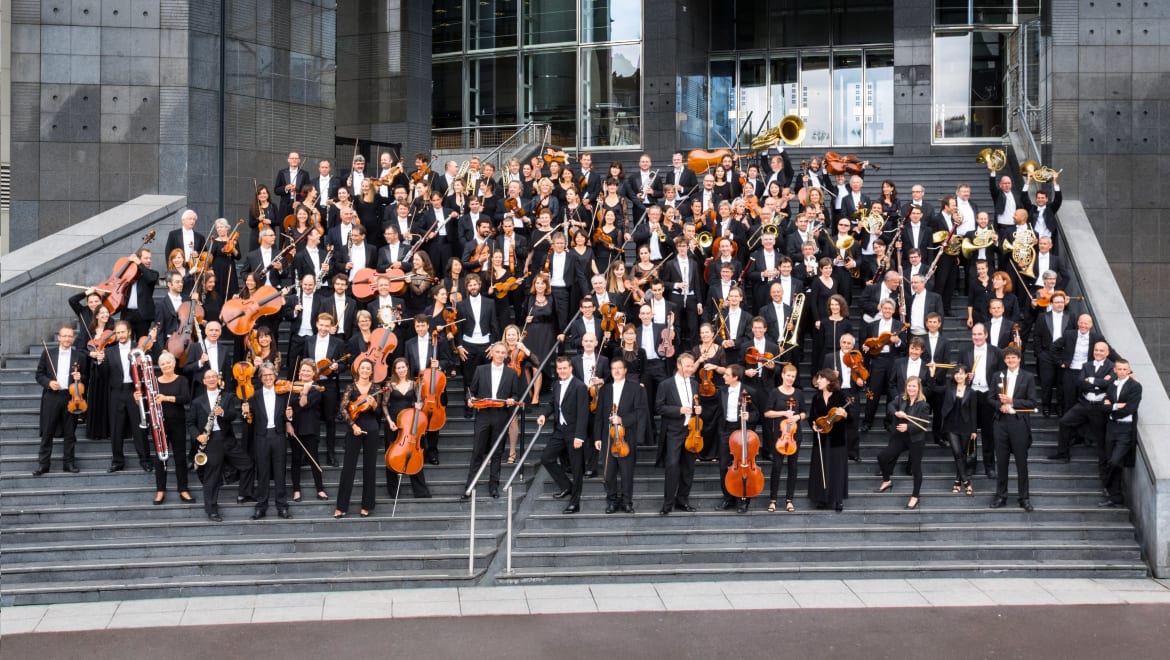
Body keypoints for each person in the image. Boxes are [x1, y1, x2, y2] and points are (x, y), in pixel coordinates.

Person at [188, 370, 255, 522]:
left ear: (218, 380)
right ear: (204, 381)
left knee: (247, 464)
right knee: (212, 476)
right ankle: (211, 510)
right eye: (208, 377)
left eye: (214, 377)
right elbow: (190, 423)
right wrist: (198, 436)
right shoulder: (197, 401)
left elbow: (233, 416)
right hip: (210, 441)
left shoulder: (227, 396)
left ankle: (244, 494)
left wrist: (223, 412)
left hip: (226, 439)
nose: (211, 379)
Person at [463, 342, 524, 499]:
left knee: (497, 452)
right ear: (492, 353)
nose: (499, 355)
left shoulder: (511, 373)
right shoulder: (480, 370)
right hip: (483, 414)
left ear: (506, 355)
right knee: (477, 450)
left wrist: (512, 399)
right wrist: (470, 400)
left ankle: (494, 487)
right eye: (497, 352)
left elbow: (516, 394)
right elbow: (471, 391)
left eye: (503, 352)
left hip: (501, 414)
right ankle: (470, 485)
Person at [538, 357, 591, 514]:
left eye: (564, 368)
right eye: (559, 368)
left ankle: (575, 503)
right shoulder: (556, 384)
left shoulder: (580, 387)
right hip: (560, 430)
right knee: (546, 458)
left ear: (571, 368)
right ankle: (566, 486)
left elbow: (583, 413)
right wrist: (544, 415)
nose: (562, 371)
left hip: (575, 433)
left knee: (576, 469)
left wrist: (579, 437)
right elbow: (552, 404)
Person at [593, 357, 646, 514]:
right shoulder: (605, 390)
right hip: (607, 435)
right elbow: (599, 416)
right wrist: (597, 437)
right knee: (608, 473)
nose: (616, 371)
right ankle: (612, 501)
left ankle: (627, 501)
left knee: (626, 472)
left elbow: (640, 412)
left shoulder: (636, 388)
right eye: (613, 368)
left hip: (626, 435)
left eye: (619, 368)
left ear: (625, 370)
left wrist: (623, 419)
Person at [34, 325, 89, 476]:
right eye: (64, 336)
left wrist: (81, 377)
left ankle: (69, 463)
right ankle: (43, 465)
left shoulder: (80, 356)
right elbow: (39, 375)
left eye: (70, 336)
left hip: (71, 397)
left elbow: (86, 377)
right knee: (47, 431)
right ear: (59, 337)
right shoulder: (48, 353)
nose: (67, 339)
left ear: (73, 338)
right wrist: (49, 383)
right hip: (52, 396)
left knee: (70, 432)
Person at [141, 351, 195, 505]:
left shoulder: (182, 380)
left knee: (179, 457)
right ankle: (160, 490)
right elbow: (148, 402)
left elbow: (186, 398)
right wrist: (138, 398)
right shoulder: (154, 381)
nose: (166, 366)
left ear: (174, 364)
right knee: (159, 459)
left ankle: (183, 489)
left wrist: (166, 398)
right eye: (163, 364)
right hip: (159, 424)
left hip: (177, 423)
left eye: (168, 363)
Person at [988, 347, 1038, 512]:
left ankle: (1024, 497)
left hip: (1019, 423)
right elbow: (990, 398)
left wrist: (1012, 401)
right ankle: (1001, 496)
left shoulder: (1028, 377)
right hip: (1001, 422)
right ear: (1004, 360)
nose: (1011, 360)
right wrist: (999, 405)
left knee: (1021, 463)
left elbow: (1032, 402)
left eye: (1013, 358)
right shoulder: (997, 376)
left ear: (1019, 359)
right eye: (1008, 358)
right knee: (1001, 462)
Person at [241, 362, 290, 520]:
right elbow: (250, 419)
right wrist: (245, 413)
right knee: (262, 472)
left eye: (271, 375)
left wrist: (289, 416)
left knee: (280, 471)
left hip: (278, 436)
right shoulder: (254, 396)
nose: (268, 378)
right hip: (261, 437)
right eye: (265, 375)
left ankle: (282, 505)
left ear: (275, 376)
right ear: (260, 378)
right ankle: (261, 506)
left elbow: (286, 418)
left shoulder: (283, 394)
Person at [335, 358, 383, 518]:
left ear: (371, 371)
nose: (364, 371)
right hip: (354, 429)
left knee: (370, 468)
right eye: (362, 368)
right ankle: (341, 507)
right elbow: (343, 409)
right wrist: (353, 426)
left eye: (368, 368)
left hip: (372, 429)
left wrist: (375, 405)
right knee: (348, 468)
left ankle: (367, 505)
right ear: (358, 370)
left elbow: (378, 414)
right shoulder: (351, 387)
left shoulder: (376, 388)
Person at [876, 376, 933, 509]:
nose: (911, 388)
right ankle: (887, 480)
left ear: (919, 388)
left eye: (914, 386)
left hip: (916, 439)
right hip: (900, 437)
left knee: (916, 469)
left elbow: (923, 424)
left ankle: (915, 496)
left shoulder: (924, 405)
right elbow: (890, 406)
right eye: (909, 385)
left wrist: (908, 427)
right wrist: (896, 413)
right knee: (882, 457)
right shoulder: (900, 399)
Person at [103, 320, 150, 472]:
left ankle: (145, 460)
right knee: (116, 428)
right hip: (116, 392)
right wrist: (99, 362)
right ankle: (117, 461)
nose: (120, 335)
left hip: (134, 391)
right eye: (117, 332)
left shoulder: (139, 348)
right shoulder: (109, 351)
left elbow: (148, 371)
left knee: (139, 427)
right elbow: (102, 375)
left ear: (129, 332)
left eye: (123, 332)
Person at [656, 352, 700, 515]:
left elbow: (696, 405)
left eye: (691, 365)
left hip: (691, 431)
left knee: (689, 468)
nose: (690, 369)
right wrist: (679, 410)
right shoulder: (666, 384)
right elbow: (659, 407)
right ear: (679, 366)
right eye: (687, 366)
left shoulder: (695, 384)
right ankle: (667, 504)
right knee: (672, 466)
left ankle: (682, 501)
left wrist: (698, 409)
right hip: (674, 431)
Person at [383, 358, 432, 499]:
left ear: (407, 368)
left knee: (413, 453)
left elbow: (420, 401)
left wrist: (420, 405)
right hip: (393, 424)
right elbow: (384, 404)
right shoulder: (389, 385)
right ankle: (393, 491)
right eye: (398, 368)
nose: (401, 370)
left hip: (410, 423)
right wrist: (389, 421)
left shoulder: (414, 384)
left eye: (403, 367)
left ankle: (420, 490)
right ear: (395, 370)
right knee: (391, 455)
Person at [715, 364, 760, 514]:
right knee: (724, 466)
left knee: (744, 466)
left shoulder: (750, 392)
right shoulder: (722, 391)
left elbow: (757, 414)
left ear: (735, 377)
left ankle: (743, 499)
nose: (723, 376)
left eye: (727, 375)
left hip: (742, 431)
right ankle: (728, 498)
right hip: (726, 430)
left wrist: (750, 416)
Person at [762, 363, 807, 513]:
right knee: (777, 467)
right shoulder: (775, 392)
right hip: (779, 436)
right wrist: (783, 413)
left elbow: (804, 413)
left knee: (793, 468)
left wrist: (797, 417)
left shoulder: (799, 393)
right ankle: (773, 500)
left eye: (793, 376)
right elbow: (767, 413)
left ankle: (789, 500)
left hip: (794, 435)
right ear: (782, 375)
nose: (790, 379)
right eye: (788, 375)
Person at [1100, 359, 1141, 507]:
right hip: (1111, 428)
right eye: (1120, 369)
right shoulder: (1111, 384)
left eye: (1125, 369)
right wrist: (1116, 406)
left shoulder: (1135, 387)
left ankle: (1106, 485)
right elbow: (1103, 406)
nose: (1122, 371)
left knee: (1115, 461)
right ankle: (1115, 496)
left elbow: (1130, 408)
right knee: (1110, 459)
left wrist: (1112, 408)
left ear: (1129, 370)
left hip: (1125, 429)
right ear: (1115, 370)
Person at [286, 359, 328, 503]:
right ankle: (296, 490)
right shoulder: (291, 387)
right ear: (299, 372)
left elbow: (303, 404)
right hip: (295, 427)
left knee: (313, 459)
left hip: (310, 428)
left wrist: (305, 391)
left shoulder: (316, 388)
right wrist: (287, 423)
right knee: (295, 459)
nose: (305, 373)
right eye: (303, 370)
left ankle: (320, 489)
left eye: (308, 371)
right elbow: (286, 407)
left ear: (314, 373)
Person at [808, 368, 849, 512]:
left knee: (837, 469)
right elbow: (811, 417)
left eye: (821, 378)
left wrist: (844, 414)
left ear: (829, 380)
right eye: (817, 378)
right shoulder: (816, 397)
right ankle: (822, 498)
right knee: (821, 468)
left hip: (837, 439)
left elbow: (851, 418)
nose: (818, 381)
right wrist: (813, 425)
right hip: (820, 438)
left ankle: (838, 499)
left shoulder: (841, 396)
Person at [935, 363, 978, 497]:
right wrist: (931, 375)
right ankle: (967, 482)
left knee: (962, 455)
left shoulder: (972, 392)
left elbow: (973, 412)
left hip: (965, 426)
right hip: (951, 426)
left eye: (962, 373)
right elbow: (934, 389)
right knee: (958, 452)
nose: (959, 375)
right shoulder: (949, 388)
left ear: (966, 375)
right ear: (954, 375)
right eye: (956, 373)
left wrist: (974, 430)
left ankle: (957, 481)